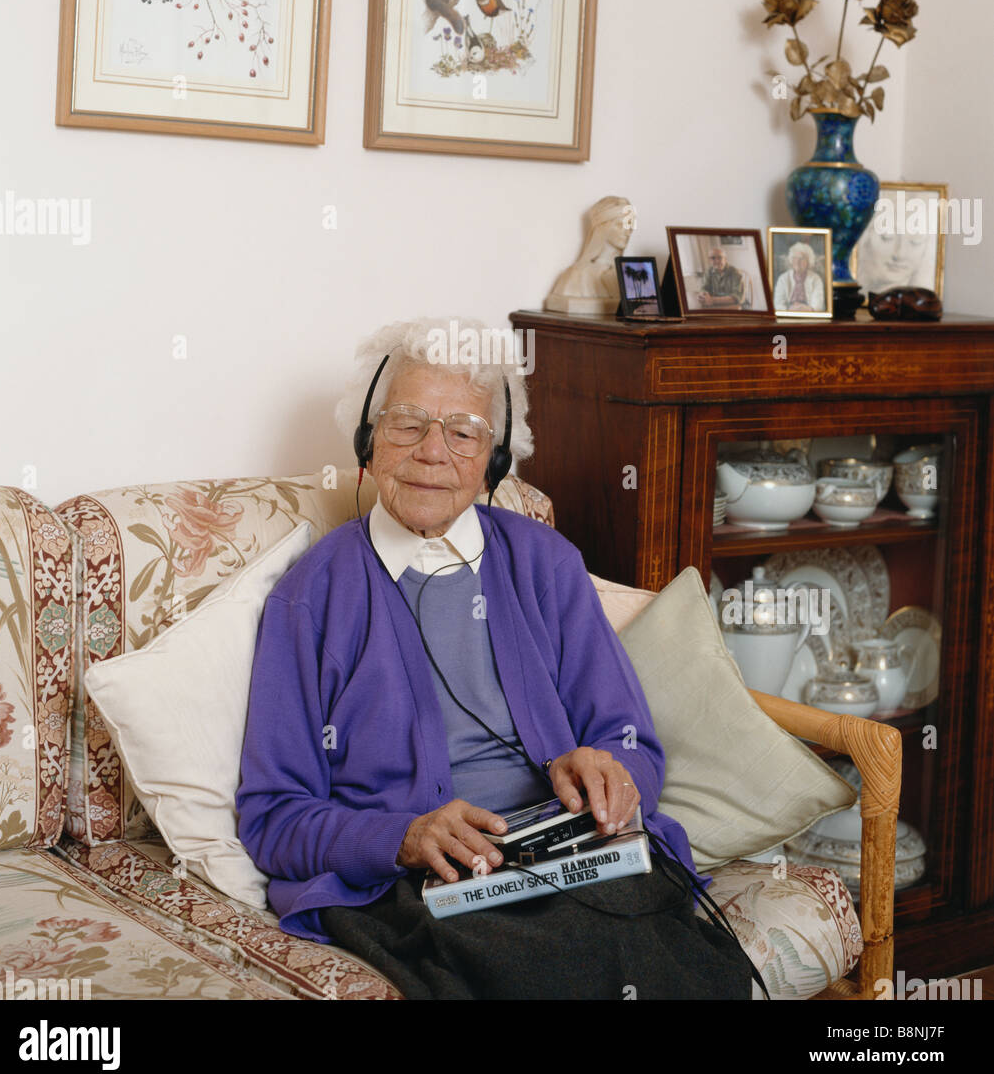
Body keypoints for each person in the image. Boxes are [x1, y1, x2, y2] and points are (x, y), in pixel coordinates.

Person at [235, 317, 752, 1000]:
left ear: (494, 461)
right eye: (406, 424)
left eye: (463, 432)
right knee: (557, 969)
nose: (431, 453)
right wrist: (403, 835)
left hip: (571, 854)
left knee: (693, 970)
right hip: (426, 886)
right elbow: (273, 817)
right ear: (368, 442)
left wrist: (610, 771)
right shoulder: (313, 597)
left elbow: (632, 747)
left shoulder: (546, 564)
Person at [773, 241, 825, 312]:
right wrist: (789, 310)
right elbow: (778, 304)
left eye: (801, 258)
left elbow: (818, 305)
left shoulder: (816, 279)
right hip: (787, 316)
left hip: (809, 316)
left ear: (808, 261)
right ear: (791, 260)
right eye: (794, 258)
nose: (797, 261)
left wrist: (806, 309)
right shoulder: (783, 278)